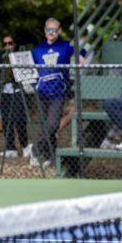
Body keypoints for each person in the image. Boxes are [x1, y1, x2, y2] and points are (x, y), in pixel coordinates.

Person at [30, 18, 87, 168]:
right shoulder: (37, 50)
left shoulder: (65, 46)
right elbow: (31, 69)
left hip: (59, 92)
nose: (51, 33)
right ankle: (51, 156)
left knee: (53, 124)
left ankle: (35, 149)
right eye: (48, 29)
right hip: (41, 92)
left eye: (54, 30)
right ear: (45, 31)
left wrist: (81, 55)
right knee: (45, 126)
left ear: (59, 30)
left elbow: (82, 48)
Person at [0, 35, 31, 158]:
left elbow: (26, 75)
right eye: (5, 44)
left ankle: (25, 146)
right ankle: (11, 148)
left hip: (18, 92)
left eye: (10, 43)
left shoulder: (19, 57)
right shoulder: (1, 58)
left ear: (14, 44)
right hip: (4, 93)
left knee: (20, 119)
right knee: (6, 121)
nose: (7, 46)